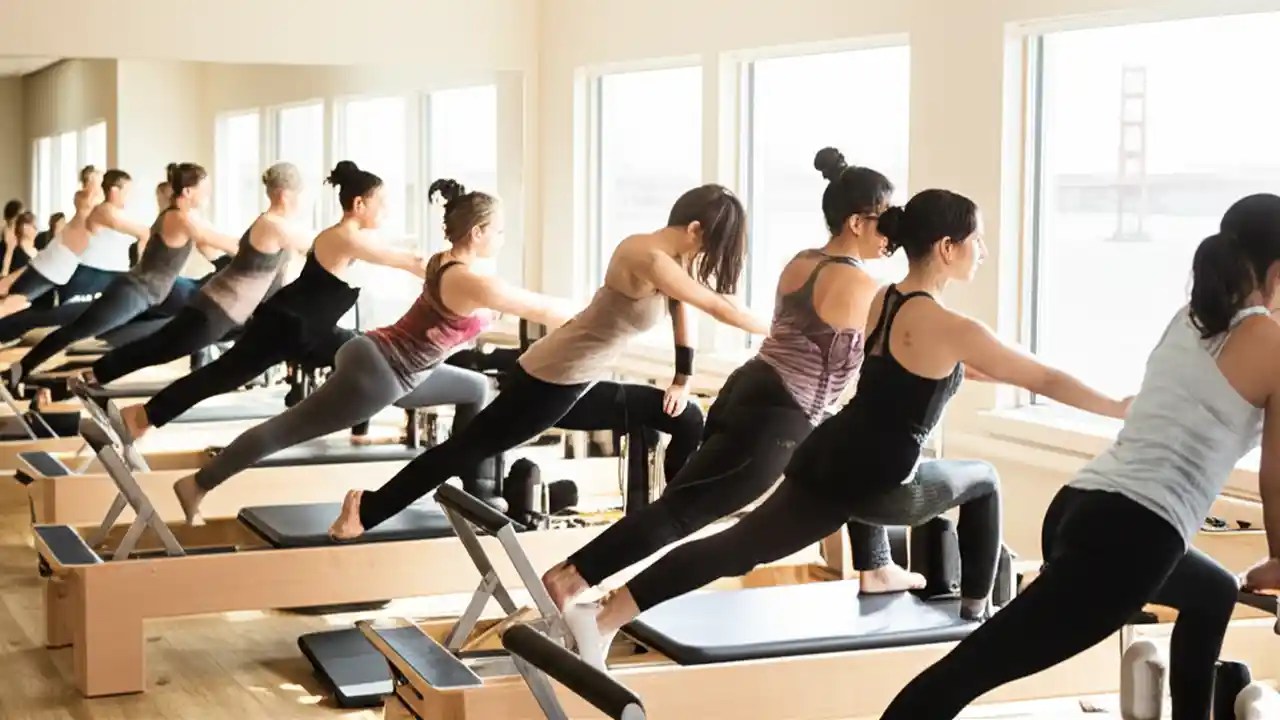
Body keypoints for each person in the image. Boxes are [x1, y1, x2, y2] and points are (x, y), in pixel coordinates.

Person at [555, 188, 1132, 672]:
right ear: (948, 247)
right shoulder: (954, 325)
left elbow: (940, 367)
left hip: (827, 454)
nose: (983, 252)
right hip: (878, 483)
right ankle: (977, 620)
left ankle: (604, 615)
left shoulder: (884, 300)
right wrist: (1113, 405)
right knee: (983, 479)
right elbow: (1043, 375)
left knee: (735, 547)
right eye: (976, 241)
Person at [877, 192, 1280, 720]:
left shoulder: (1190, 318)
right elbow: (1276, 475)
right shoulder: (1271, 341)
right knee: (969, 670)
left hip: (1082, 505)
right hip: (1132, 537)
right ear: (1275, 271)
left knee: (1212, 591)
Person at [543, 148, 927, 611]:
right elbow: (907, 345)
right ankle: (572, 581)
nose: (891, 236)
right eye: (885, 221)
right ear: (857, 223)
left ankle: (877, 564)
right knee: (684, 515)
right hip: (778, 418)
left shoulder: (802, 262)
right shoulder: (860, 286)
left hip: (751, 391)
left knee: (843, 463)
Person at [327, 182, 769, 539]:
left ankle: (673, 523)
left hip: (583, 380)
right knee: (466, 449)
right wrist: (783, 330)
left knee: (686, 416)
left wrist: (683, 377)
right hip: (551, 377)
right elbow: (715, 305)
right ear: (694, 229)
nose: (707, 257)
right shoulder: (645, 254)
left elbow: (684, 309)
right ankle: (367, 509)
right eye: (711, 244)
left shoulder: (674, 261)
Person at [167, 178, 577, 523]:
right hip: (380, 373)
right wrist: (595, 315)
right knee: (286, 430)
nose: (504, 239)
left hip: (391, 364)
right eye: (500, 230)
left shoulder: (447, 262)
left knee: (473, 388)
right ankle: (197, 484)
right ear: (479, 232)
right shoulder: (473, 281)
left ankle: (475, 492)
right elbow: (535, 306)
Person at [113, 161, 426, 440]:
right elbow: (399, 259)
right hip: (285, 324)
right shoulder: (345, 237)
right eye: (381, 203)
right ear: (359, 204)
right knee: (222, 375)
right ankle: (141, 416)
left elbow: (397, 251)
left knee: (367, 360)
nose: (387, 210)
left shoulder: (356, 237)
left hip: (311, 329)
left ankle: (357, 425)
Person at [9, 162, 240, 385]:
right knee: (76, 331)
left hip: (154, 295)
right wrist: (259, 249)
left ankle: (202, 356)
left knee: (191, 314)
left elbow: (211, 249)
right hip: (134, 292)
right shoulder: (177, 217)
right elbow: (213, 239)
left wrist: (232, 262)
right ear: (188, 191)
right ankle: (21, 369)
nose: (208, 194)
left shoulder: (187, 217)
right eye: (205, 190)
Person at [82, 163, 310, 388]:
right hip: (211, 305)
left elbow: (217, 251)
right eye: (299, 193)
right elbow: (309, 246)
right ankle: (92, 374)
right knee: (161, 346)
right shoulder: (273, 226)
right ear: (285, 195)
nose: (302, 200)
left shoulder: (276, 225)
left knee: (164, 343)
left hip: (229, 307)